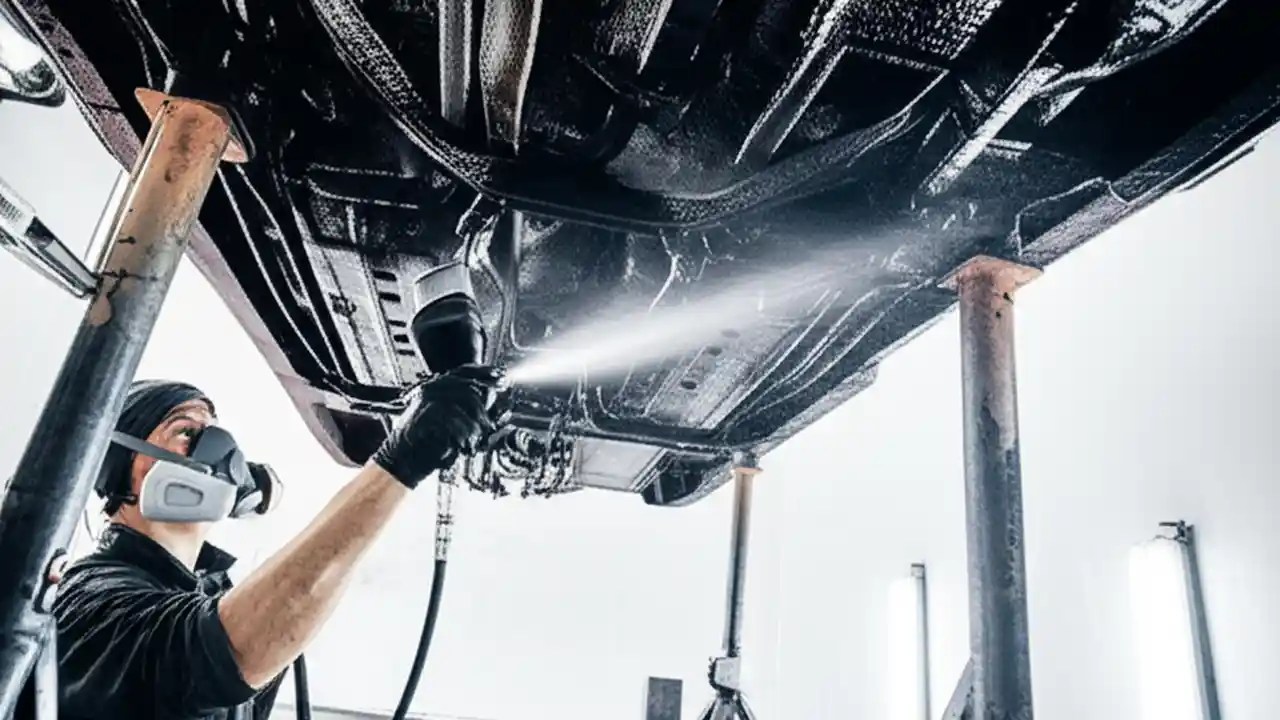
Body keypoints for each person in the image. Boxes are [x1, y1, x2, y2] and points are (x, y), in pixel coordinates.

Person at [51, 365, 506, 720]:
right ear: (119, 465)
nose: (219, 451)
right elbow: (222, 652)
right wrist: (400, 461)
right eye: (186, 432)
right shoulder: (88, 598)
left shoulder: (206, 591)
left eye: (215, 432)